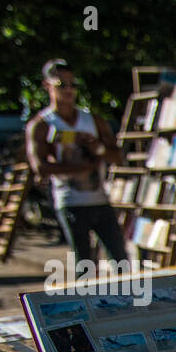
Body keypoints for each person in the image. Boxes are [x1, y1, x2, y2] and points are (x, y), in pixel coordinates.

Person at [25, 58, 127, 265]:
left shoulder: (93, 120)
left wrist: (95, 147)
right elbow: (40, 167)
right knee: (85, 263)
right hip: (70, 201)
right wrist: (82, 167)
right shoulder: (41, 125)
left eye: (73, 84)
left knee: (120, 259)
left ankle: (126, 297)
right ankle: (89, 298)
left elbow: (117, 156)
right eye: (62, 84)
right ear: (47, 86)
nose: (69, 90)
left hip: (100, 199)